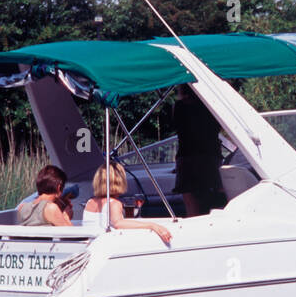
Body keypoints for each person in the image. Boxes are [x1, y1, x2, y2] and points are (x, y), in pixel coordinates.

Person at [169, 84, 226, 216]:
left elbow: (176, 127)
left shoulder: (177, 107)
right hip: (210, 157)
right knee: (215, 201)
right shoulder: (212, 106)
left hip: (187, 157)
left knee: (191, 206)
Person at [85, 161, 172, 244]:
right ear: (120, 181)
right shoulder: (113, 203)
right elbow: (118, 223)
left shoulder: (90, 202)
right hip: (108, 244)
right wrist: (152, 225)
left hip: (90, 243)